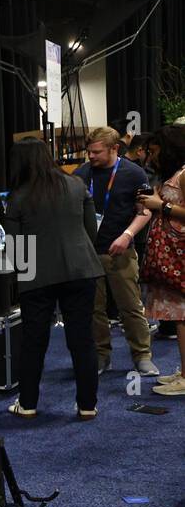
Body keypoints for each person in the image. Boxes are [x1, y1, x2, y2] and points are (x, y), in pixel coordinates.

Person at [1, 137, 103, 418]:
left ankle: (29, 403)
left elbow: (14, 248)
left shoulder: (18, 198)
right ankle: (87, 405)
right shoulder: (77, 185)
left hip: (37, 275)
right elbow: (90, 233)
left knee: (34, 340)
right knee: (82, 338)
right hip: (81, 269)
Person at [73, 126, 158, 375]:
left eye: (97, 152)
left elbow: (146, 210)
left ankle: (142, 355)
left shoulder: (134, 173)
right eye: (89, 152)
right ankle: (101, 355)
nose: (92, 157)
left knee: (130, 306)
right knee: (93, 309)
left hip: (121, 251)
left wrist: (127, 235)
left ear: (114, 149)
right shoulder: (82, 174)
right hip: (89, 254)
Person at [136, 124, 185, 394]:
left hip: (180, 255)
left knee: (182, 315)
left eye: (155, 151)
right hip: (172, 254)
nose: (152, 157)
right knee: (179, 315)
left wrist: (161, 205)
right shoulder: (176, 174)